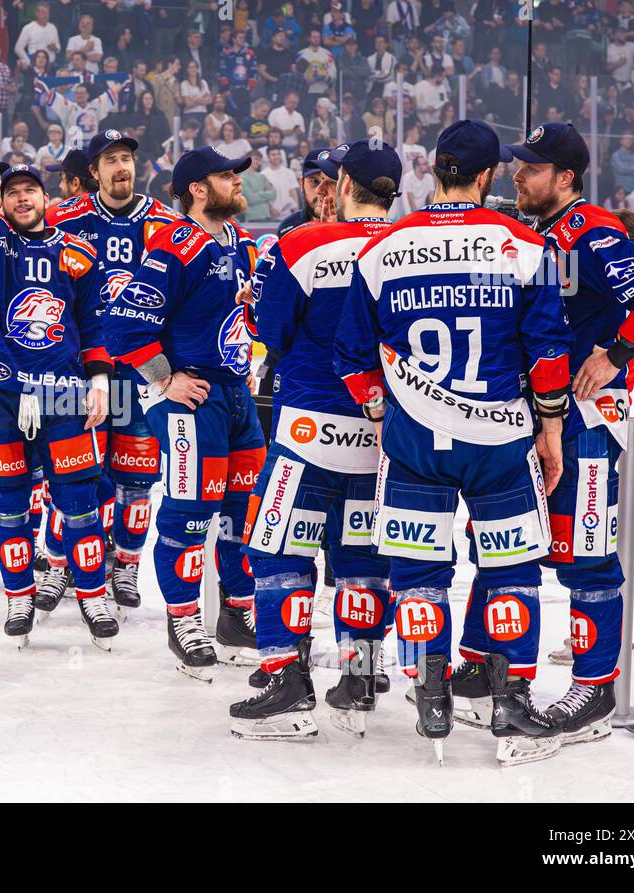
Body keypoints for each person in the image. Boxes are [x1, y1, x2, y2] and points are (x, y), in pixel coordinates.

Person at [333, 120, 573, 766]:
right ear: (489, 175)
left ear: (434, 170)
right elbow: (549, 351)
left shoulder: (384, 247)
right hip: (500, 442)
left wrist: (385, 410)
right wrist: (551, 429)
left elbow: (352, 354)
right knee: (511, 569)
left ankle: (431, 692)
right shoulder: (522, 243)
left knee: (419, 573)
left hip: (415, 440)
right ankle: (509, 700)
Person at [493, 122, 634, 745]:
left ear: (566, 178)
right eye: (517, 165)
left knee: (586, 560)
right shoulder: (543, 231)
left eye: (531, 168)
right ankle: (497, 671)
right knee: (522, 551)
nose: (517, 175)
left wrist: (614, 352)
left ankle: (594, 688)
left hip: (586, 421)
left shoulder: (591, 229)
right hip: (540, 418)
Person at [229, 139, 401, 740]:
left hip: (307, 432)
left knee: (277, 551)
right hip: (382, 436)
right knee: (363, 557)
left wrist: (253, 307)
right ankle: (361, 672)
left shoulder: (299, 244)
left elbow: (268, 331)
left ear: (345, 182)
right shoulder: (409, 247)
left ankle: (287, 676)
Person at [0, 88, 116, 647]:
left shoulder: (75, 251)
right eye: (13, 192)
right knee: (10, 505)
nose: (22, 199)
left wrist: (97, 380)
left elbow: (92, 322)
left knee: (79, 504)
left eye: (30, 191)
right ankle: (19, 600)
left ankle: (93, 598)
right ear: (4, 202)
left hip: (64, 394)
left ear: (46, 198)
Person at [104, 146, 265, 680]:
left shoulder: (239, 242)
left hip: (237, 395)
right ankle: (183, 621)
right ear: (198, 188)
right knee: (191, 513)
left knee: (243, 511)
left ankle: (237, 615)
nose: (237, 182)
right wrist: (164, 380)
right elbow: (124, 327)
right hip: (192, 401)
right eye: (226, 176)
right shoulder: (175, 243)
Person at [44, 128, 180, 614]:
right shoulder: (62, 217)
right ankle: (60, 563)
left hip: (141, 370)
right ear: (93, 172)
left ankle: (123, 565)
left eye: (127, 158)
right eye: (112, 160)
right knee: (71, 472)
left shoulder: (166, 222)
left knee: (137, 479)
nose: (122, 167)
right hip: (72, 370)